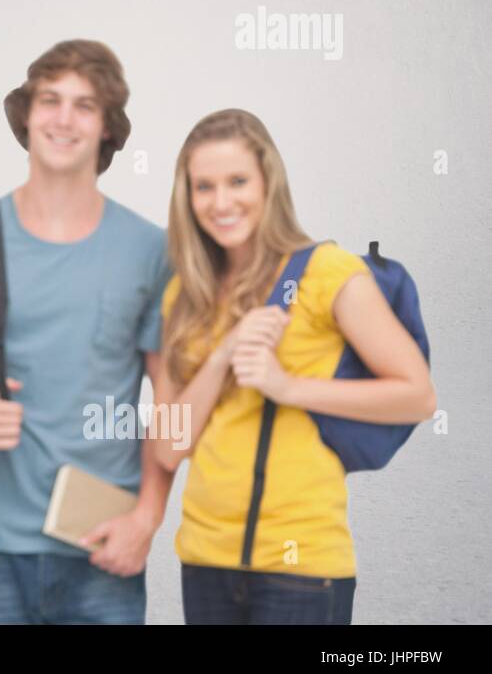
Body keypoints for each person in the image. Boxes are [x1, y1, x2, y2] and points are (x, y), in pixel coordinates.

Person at [0, 39, 174, 624]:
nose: (63, 117)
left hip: (103, 539)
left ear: (109, 127)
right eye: (50, 99)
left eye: (84, 105)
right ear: (26, 115)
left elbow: (173, 397)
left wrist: (148, 519)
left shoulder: (149, 249)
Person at [153, 109, 436, 624]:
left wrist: (287, 386)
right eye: (204, 187)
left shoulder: (327, 272)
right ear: (186, 197)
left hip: (302, 569)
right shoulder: (183, 296)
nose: (221, 202)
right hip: (204, 561)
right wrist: (221, 357)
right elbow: (169, 446)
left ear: (269, 184)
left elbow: (417, 395)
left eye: (238, 181)